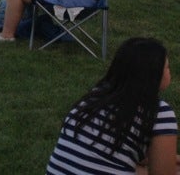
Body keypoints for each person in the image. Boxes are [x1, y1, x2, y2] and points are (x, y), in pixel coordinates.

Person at [45, 37, 177, 174]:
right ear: (153, 75)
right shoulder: (158, 113)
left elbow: (120, 151)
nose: (169, 72)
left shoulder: (94, 99)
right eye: (167, 67)